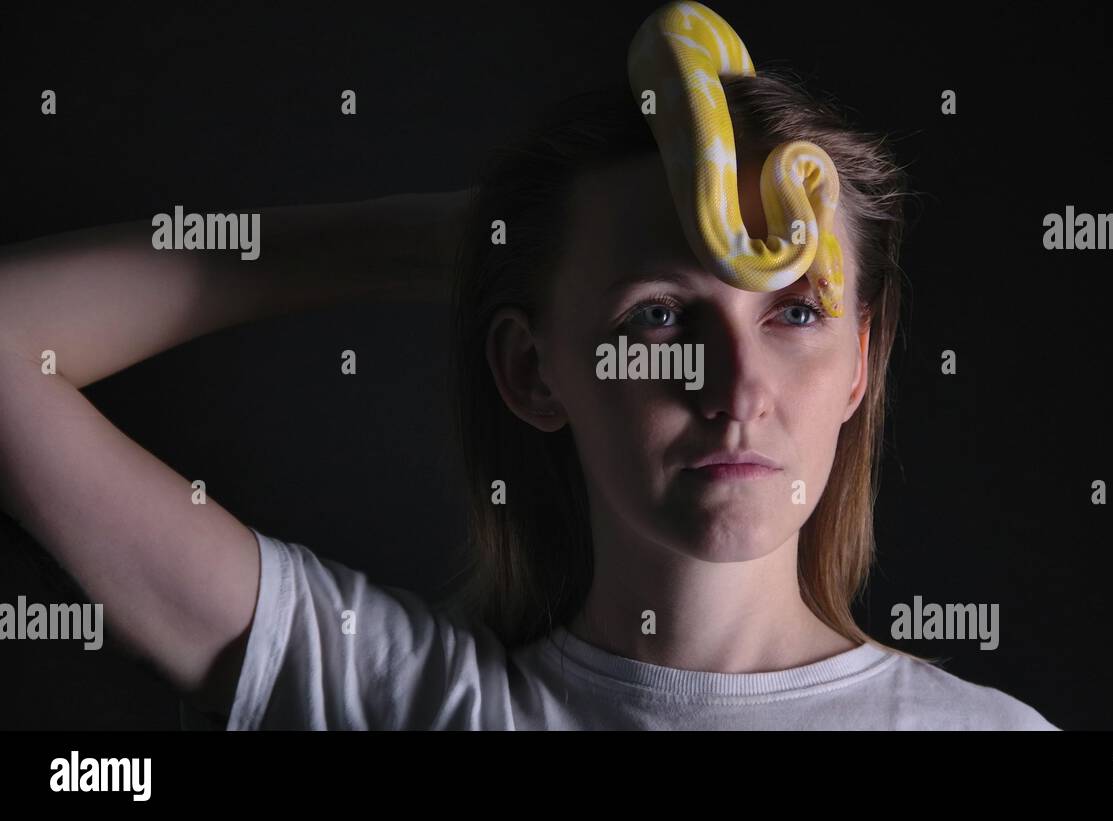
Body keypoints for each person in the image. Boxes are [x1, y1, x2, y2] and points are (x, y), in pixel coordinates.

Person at [0, 71, 1058, 730]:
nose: (736, 391)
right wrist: (474, 241)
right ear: (532, 372)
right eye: (656, 316)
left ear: (860, 363)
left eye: (793, 314)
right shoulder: (386, 694)